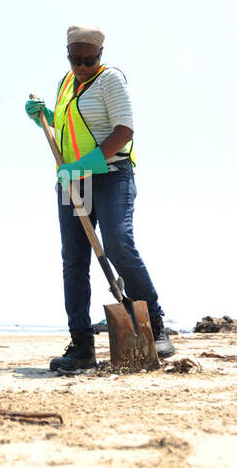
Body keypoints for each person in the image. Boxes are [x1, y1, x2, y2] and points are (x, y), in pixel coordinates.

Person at [25, 25, 174, 371]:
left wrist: (85, 165)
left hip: (111, 176)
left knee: (119, 243)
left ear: (100, 56)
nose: (81, 66)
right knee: (73, 260)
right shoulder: (66, 83)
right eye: (74, 59)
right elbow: (67, 126)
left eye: (88, 60)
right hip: (72, 183)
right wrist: (45, 117)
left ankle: (155, 324)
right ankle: (81, 346)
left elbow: (124, 130)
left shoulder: (111, 81)